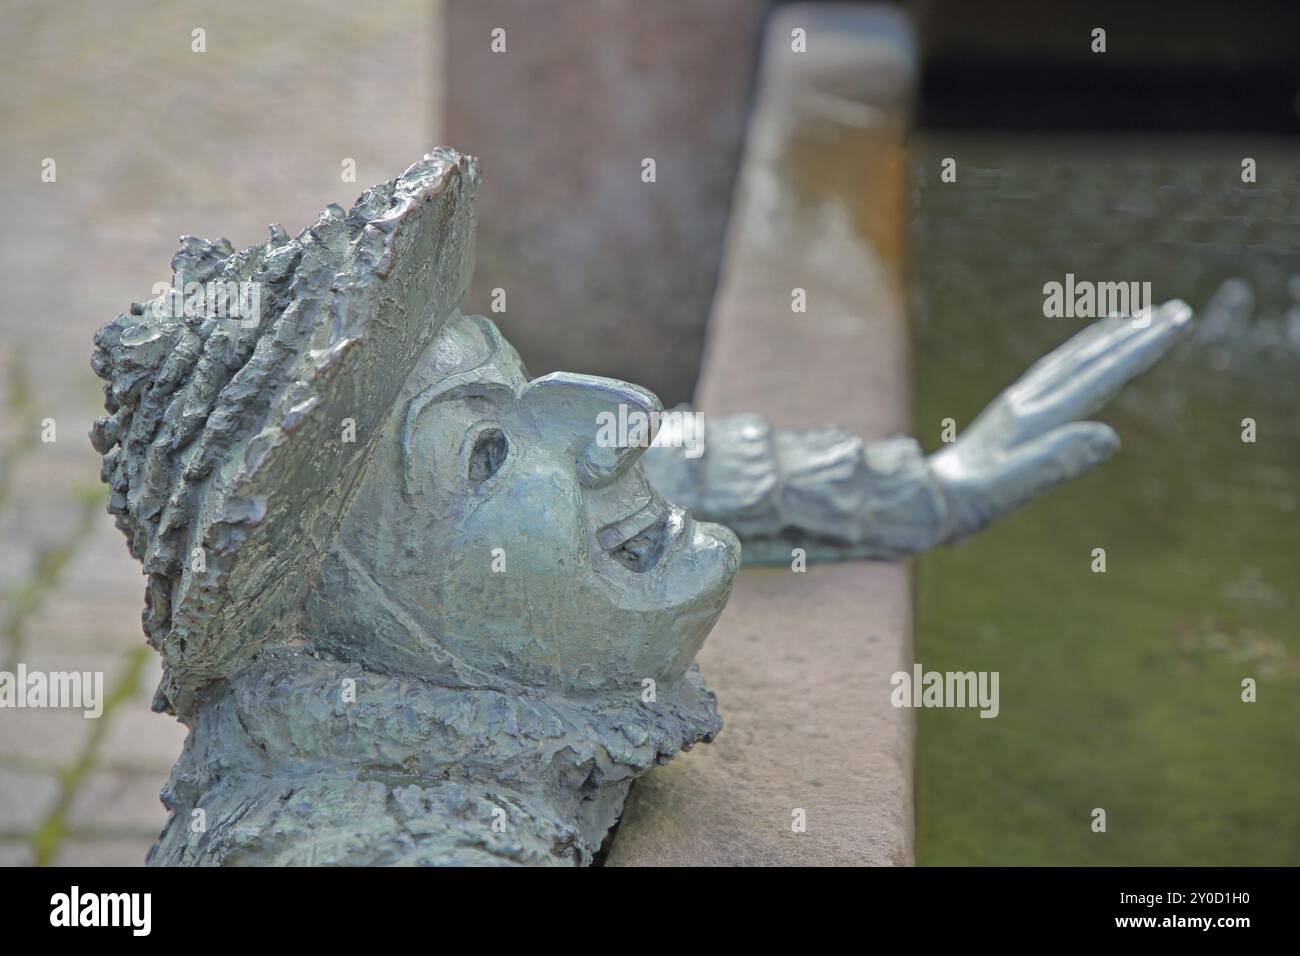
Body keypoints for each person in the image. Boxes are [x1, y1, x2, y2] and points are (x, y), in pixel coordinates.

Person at [90, 150, 1190, 865]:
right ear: (344, 612)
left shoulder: (450, 676)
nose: (615, 414)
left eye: (520, 388)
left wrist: (928, 487)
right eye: (483, 449)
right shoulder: (377, 838)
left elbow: (693, 462)